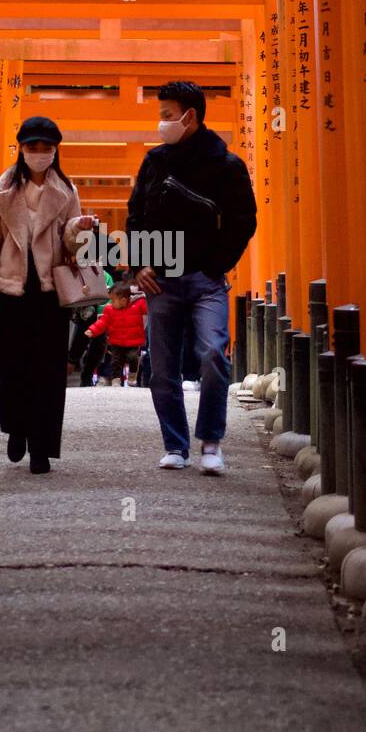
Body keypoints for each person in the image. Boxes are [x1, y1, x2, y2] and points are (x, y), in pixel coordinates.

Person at [125, 80, 257, 474]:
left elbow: (243, 221)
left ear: (190, 116)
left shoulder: (228, 165)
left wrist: (217, 264)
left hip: (205, 279)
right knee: (162, 366)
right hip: (161, 278)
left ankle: (211, 442)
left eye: (167, 116)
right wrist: (140, 265)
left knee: (214, 354)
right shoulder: (154, 162)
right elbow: (136, 216)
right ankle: (175, 445)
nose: (162, 123)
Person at [0, 116, 98, 473]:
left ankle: (41, 448)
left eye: (45, 147)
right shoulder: (0, 191)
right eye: (32, 147)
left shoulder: (66, 191)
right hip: (11, 290)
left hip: (50, 293)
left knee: (49, 372)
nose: (38, 153)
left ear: (55, 151)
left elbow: (77, 243)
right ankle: (16, 428)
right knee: (11, 368)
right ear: (21, 149)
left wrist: (80, 231)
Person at [84, 282, 148, 386]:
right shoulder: (109, 309)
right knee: (116, 361)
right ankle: (116, 380)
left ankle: (132, 374)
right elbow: (102, 322)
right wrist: (93, 330)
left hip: (133, 341)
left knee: (133, 357)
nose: (111, 302)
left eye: (113, 300)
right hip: (116, 341)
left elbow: (149, 309)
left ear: (123, 300)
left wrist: (144, 297)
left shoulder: (138, 305)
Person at [66, 268, 115, 386]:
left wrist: (103, 315)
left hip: (101, 315)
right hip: (84, 312)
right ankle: (72, 360)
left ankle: (87, 375)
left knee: (99, 346)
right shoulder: (78, 272)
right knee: (80, 338)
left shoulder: (105, 275)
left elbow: (110, 296)